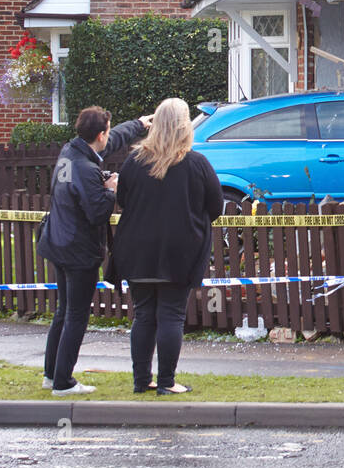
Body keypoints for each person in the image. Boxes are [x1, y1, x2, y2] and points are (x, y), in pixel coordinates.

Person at [112, 98, 222, 395]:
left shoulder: (134, 162)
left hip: (136, 251)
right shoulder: (197, 164)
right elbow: (216, 207)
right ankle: (166, 382)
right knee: (171, 316)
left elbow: (122, 200)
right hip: (179, 252)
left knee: (144, 315)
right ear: (185, 126)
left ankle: (140, 381)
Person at [39, 106, 151, 396]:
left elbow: (111, 142)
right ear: (100, 134)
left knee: (63, 312)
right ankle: (63, 383)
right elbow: (98, 213)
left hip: (57, 243)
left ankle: (51, 375)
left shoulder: (70, 153)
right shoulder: (87, 170)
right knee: (76, 316)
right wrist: (111, 189)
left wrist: (138, 124)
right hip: (78, 252)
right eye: (108, 131)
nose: (109, 136)